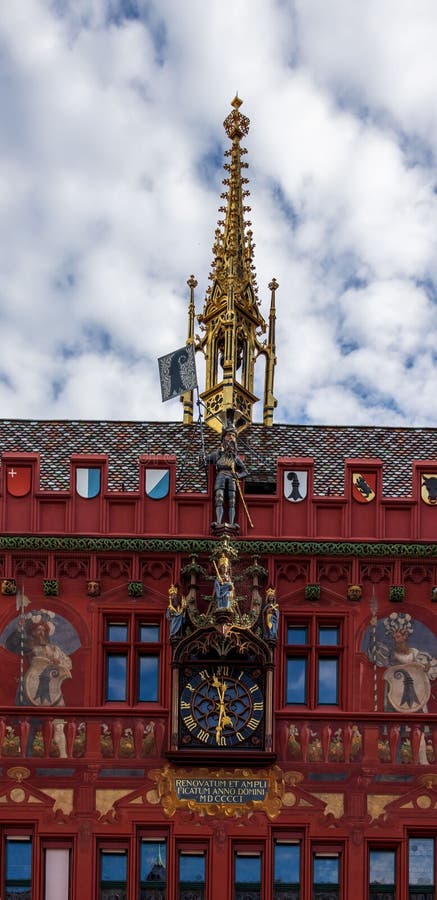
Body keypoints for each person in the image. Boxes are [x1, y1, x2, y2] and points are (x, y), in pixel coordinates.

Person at [206, 424, 248, 526]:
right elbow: (205, 460)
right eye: (229, 435)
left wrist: (238, 475)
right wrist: (201, 454)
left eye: (233, 436)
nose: (231, 437)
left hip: (231, 477)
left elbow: (245, 472)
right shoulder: (217, 454)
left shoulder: (236, 458)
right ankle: (219, 522)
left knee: (232, 500)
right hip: (220, 476)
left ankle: (232, 523)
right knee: (219, 498)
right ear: (224, 438)